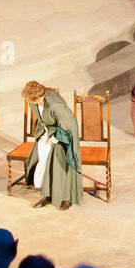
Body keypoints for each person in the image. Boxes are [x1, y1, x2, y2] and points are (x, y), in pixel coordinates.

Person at [22, 81, 82, 210]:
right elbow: (42, 118)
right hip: (48, 132)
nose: (28, 102)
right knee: (43, 162)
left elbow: (69, 126)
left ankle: (67, 197)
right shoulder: (36, 102)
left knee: (61, 164)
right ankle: (47, 194)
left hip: (63, 135)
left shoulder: (56, 105)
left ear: (38, 97)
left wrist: (56, 137)